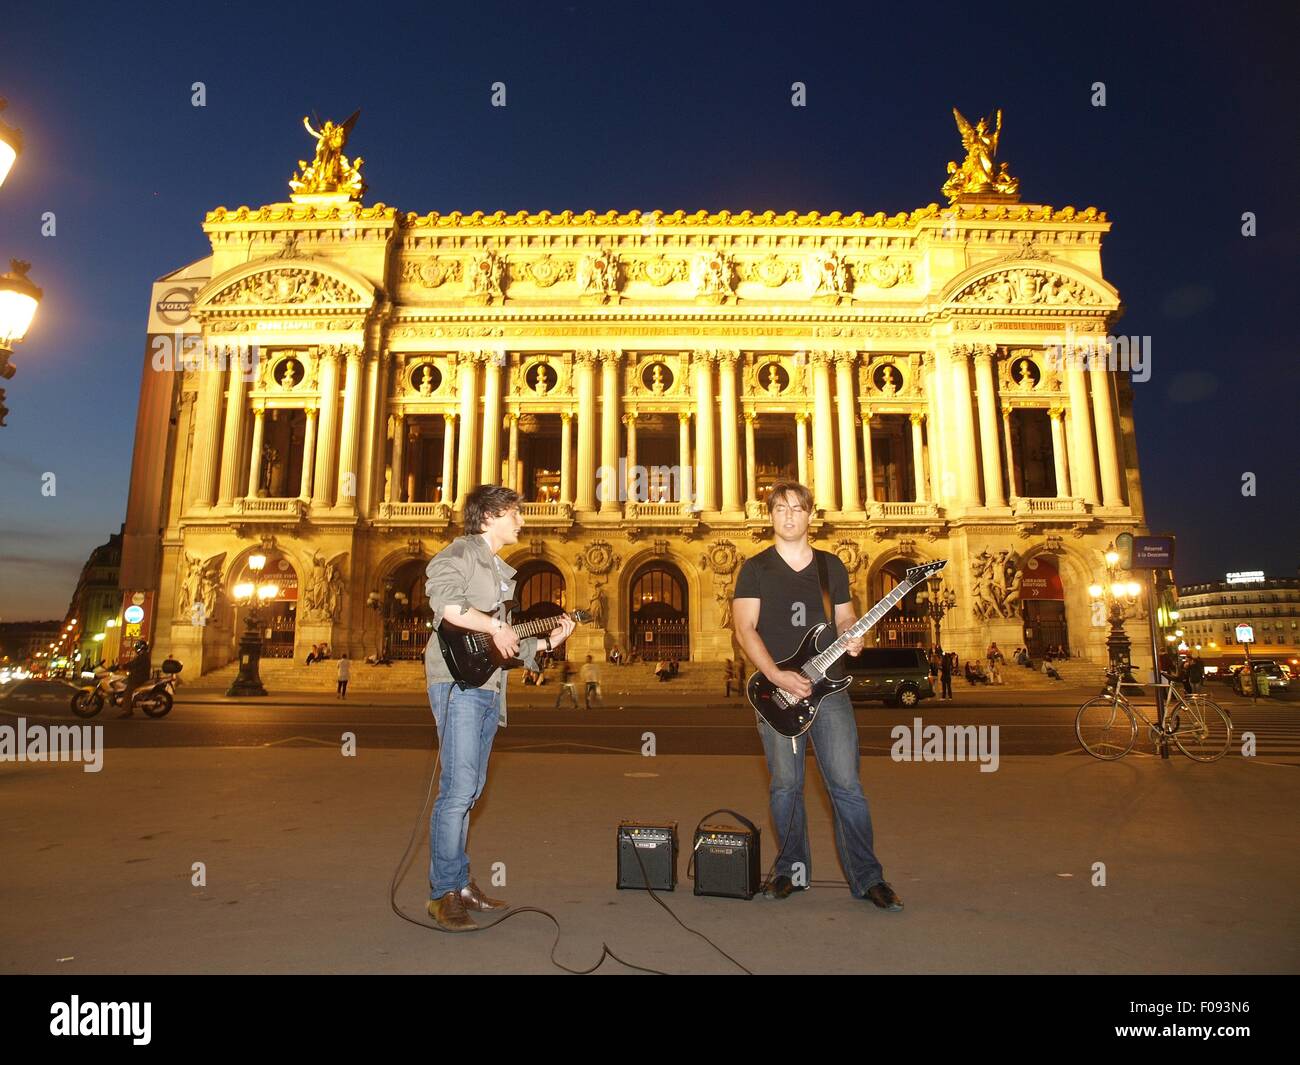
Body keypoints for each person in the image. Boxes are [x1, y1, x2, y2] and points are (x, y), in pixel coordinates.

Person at [732, 480, 902, 913]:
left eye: (797, 508)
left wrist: (854, 637)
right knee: (786, 787)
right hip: (777, 694)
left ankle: (869, 878)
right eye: (780, 509)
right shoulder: (754, 568)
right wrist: (777, 675)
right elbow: (744, 628)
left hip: (830, 691)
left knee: (847, 787)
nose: (789, 516)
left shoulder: (832, 567)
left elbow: (845, 618)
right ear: (770, 515)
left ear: (811, 515)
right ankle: (791, 870)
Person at [422, 485, 577, 932]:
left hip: (488, 686)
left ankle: (459, 881)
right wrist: (493, 623)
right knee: (457, 789)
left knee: (470, 789)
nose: (522, 522)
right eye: (515, 514)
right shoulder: (458, 554)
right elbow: (448, 607)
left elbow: (502, 646)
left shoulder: (502, 572)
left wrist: (549, 641)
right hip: (456, 685)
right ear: (488, 517)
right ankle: (441, 894)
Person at [118, 639, 152, 718]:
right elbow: (133, 663)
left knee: (128, 691)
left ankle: (127, 711)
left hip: (138, 678)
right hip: (138, 676)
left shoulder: (143, 656)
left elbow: (133, 664)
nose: (136, 649)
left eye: (137, 647)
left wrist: (123, 666)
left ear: (141, 647)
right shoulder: (143, 655)